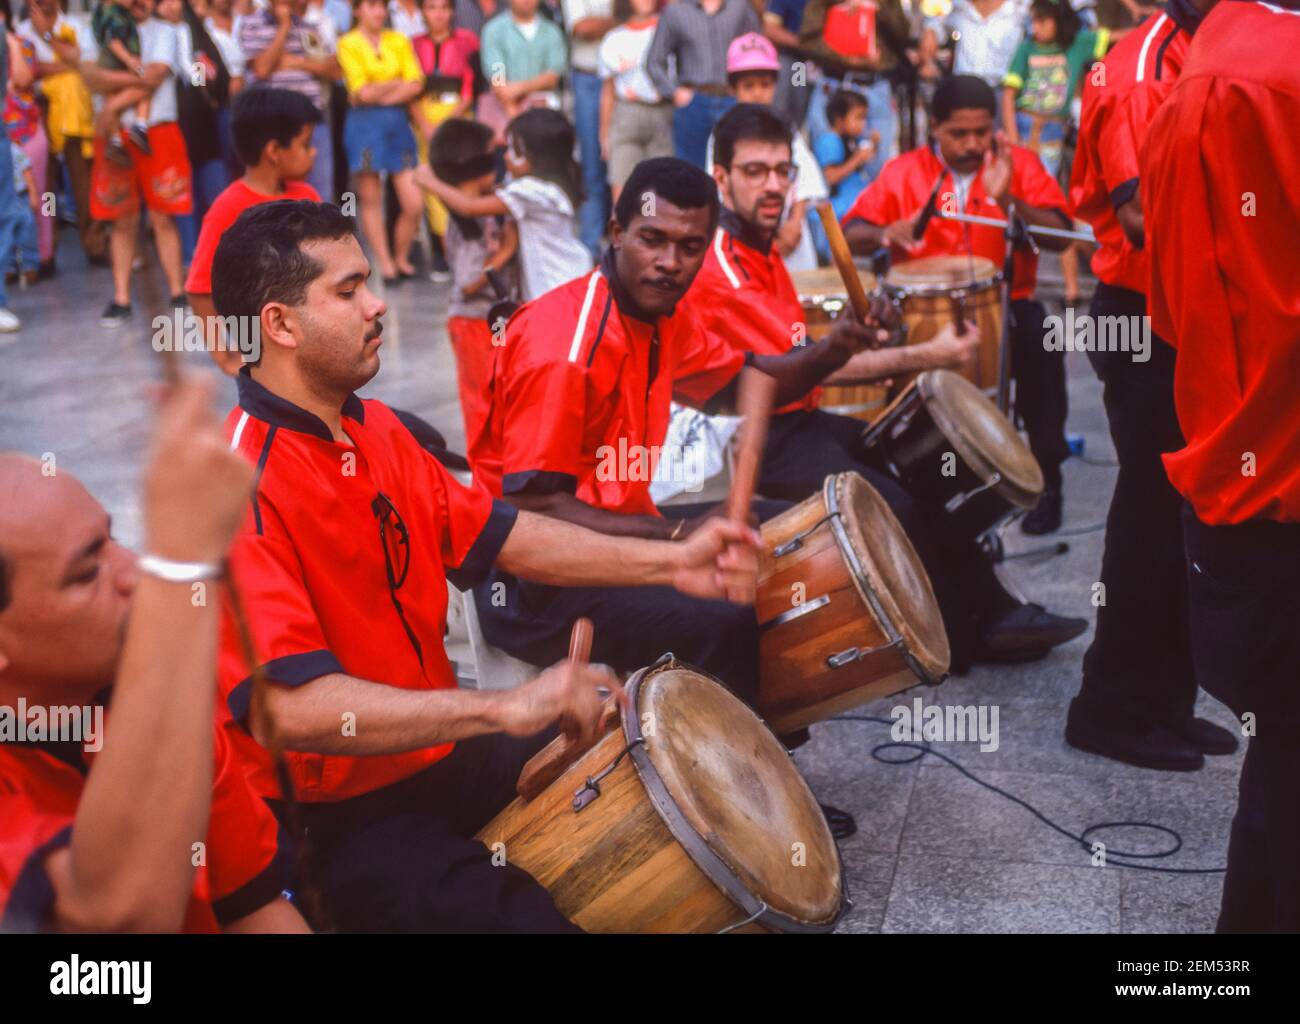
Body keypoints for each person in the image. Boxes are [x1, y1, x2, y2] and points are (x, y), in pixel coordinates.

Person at [207, 198, 758, 931]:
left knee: (646, 745)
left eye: (369, 281)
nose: (377, 306)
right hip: (336, 819)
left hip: (434, 755)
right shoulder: (237, 487)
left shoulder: (375, 428)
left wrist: (672, 561)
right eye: (347, 291)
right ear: (278, 324)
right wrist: (499, 707)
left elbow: (501, 535)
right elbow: (292, 709)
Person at [695, 104, 1087, 669]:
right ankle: (956, 637)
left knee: (920, 463)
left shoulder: (759, 247)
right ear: (722, 178)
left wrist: (863, 346)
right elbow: (793, 370)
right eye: (755, 171)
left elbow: (809, 361)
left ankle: (993, 610)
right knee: (893, 497)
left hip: (797, 417)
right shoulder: (725, 270)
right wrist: (925, 355)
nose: (774, 184)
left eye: (783, 170)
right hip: (754, 435)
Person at [0, 380, 308, 934]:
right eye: (86, 572)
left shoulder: (143, 706)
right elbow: (117, 927)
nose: (133, 571)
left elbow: (253, 907)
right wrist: (182, 564)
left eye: (112, 538)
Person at [1142, 0, 1300, 933]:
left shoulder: (1203, 67)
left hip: (1238, 493)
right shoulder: (1269, 67)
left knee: (1278, 765)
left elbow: (1165, 306)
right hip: (1281, 495)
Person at [1063, 5, 1233, 771]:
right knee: (1147, 515)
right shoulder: (1138, 71)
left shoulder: (1209, 46)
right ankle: (1110, 708)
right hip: (1141, 316)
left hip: (1187, 310)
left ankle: (1168, 700)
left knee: (1184, 516)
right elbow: (1139, 213)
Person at [842, 75, 1074, 535]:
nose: (972, 144)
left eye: (981, 132)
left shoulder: (1019, 163)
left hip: (1006, 302)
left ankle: (1047, 476)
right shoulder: (903, 172)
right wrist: (886, 232)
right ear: (934, 128)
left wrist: (1010, 200)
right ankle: (905, 479)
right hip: (926, 313)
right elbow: (850, 235)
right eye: (958, 134)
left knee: (1040, 336)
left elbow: (1059, 233)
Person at [186, 87, 322, 374]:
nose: (314, 152)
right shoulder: (228, 209)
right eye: (305, 144)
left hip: (314, 346)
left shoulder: (308, 196)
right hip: (267, 358)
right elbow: (199, 289)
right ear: (273, 151)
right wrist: (225, 357)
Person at [85, 0, 193, 329]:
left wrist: (112, 101)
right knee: (121, 218)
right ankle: (121, 298)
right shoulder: (100, 30)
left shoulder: (165, 31)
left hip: (158, 130)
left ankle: (177, 293)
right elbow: (91, 77)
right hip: (114, 134)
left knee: (163, 216)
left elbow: (157, 75)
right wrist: (134, 73)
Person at [417, 107, 590, 300]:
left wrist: (429, 181)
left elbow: (469, 207)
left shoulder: (533, 191)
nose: (505, 156)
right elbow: (497, 193)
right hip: (562, 281)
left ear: (536, 157)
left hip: (555, 284)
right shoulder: (544, 188)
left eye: (513, 149)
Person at [1001, 0, 1109, 306]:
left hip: (1056, 135)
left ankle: (1073, 288)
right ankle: (1031, 288)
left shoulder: (1076, 44)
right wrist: (1012, 137)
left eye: (1041, 22)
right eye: (1033, 22)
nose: (1035, 28)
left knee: (1058, 212)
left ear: (1057, 21)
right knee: (1036, 212)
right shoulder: (1026, 49)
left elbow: (1110, 37)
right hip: (1027, 131)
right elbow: (1009, 94)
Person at [427, 118, 518, 452]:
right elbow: (467, 284)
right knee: (482, 404)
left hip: (487, 321)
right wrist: (506, 251)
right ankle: (486, 484)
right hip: (471, 322)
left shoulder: (484, 209)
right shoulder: (465, 223)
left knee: (498, 399)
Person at [708, 31, 826, 271]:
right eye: (748, 86)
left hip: (790, 238)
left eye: (765, 85)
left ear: (775, 85)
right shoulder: (723, 135)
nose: (757, 93)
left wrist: (794, 224)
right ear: (733, 89)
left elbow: (806, 180)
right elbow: (721, 195)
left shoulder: (785, 130)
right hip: (743, 240)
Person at [336, 0, 424, 282]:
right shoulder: (347, 42)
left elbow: (416, 83)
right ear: (357, 10)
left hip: (397, 123)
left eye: (381, 6)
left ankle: (401, 256)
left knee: (414, 202)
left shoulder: (398, 40)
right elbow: (360, 92)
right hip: (364, 126)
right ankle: (385, 263)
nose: (377, 12)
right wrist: (395, 84)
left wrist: (380, 90)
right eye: (371, 5)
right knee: (370, 198)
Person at [17, 0, 107, 265]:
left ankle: (94, 244)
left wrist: (47, 36)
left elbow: (85, 61)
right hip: (38, 113)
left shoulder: (76, 26)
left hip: (75, 113)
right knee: (47, 188)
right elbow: (29, 73)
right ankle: (47, 249)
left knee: (84, 184)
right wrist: (67, 62)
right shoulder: (21, 31)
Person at [239, 0, 340, 201]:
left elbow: (334, 70)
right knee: (277, 196)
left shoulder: (308, 26)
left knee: (320, 194)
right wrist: (284, 26)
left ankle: (320, 232)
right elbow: (262, 69)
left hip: (312, 121)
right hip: (272, 126)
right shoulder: (251, 24)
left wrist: (296, 63)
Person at [798, 0, 910, 179]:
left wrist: (879, 6)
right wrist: (846, 58)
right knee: (825, 170)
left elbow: (903, 36)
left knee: (877, 170)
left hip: (876, 87)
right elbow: (807, 41)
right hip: (834, 86)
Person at [644, 0, 761, 168]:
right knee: (691, 172)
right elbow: (654, 61)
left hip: (732, 100)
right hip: (694, 102)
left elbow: (756, 51)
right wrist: (674, 92)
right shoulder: (675, 12)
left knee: (738, 166)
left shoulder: (740, 7)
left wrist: (748, 91)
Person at [409, 0, 478, 279]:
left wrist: (448, 122)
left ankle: (466, 250)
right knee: (429, 182)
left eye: (444, 8)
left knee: (462, 181)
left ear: (452, 11)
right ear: (423, 12)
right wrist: (424, 123)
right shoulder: (411, 44)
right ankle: (441, 251)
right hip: (424, 118)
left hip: (458, 117)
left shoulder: (468, 40)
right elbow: (410, 85)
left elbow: (471, 85)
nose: (438, 14)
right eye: (432, 8)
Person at [597, 0, 671, 204]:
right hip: (626, 114)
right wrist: (604, 134)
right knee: (622, 189)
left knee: (656, 191)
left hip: (661, 112)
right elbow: (608, 91)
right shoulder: (615, 38)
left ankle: (650, 231)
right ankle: (623, 233)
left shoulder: (669, 30)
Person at [3, 2, 55, 279]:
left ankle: (43, 255)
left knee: (43, 196)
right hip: (3, 138)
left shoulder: (23, 43)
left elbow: (23, 78)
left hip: (29, 133)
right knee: (7, 203)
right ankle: (10, 263)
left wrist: (8, 40)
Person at [560, 0, 614, 259]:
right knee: (592, 165)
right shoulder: (497, 30)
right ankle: (590, 249)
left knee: (626, 167)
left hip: (628, 84)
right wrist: (622, 24)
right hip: (589, 79)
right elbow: (582, 28)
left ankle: (626, 242)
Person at [478, 0, 566, 121]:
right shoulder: (493, 30)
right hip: (505, 109)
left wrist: (518, 89)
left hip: (544, 111)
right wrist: (512, 112)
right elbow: (497, 76)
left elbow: (553, 76)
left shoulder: (552, 32)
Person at [91, 0, 155, 166]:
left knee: (142, 88)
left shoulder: (121, 13)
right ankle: (122, 136)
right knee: (141, 86)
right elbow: (113, 41)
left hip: (122, 60)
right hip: (116, 61)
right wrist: (130, 61)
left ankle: (133, 130)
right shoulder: (112, 13)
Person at [918, 0, 1031, 88]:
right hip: (964, 92)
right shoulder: (958, 7)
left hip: (1006, 93)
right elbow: (935, 23)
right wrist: (930, 30)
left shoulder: (1021, 7)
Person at [813, 87, 876, 226]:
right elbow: (831, 177)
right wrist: (857, 159)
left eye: (865, 118)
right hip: (839, 212)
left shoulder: (850, 138)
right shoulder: (829, 140)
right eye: (858, 117)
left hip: (853, 204)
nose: (863, 124)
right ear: (839, 119)